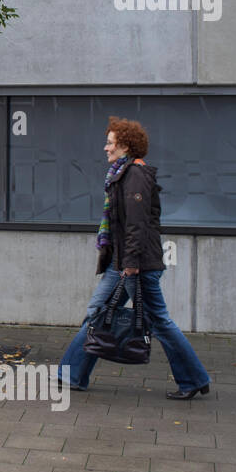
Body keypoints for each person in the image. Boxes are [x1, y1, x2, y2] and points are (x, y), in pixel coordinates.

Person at [57, 117, 212, 399]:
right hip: (122, 262)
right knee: (96, 313)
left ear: (125, 145)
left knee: (159, 323)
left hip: (136, 264)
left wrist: (130, 264)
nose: (105, 148)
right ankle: (71, 375)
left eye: (110, 143)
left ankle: (193, 379)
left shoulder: (135, 175)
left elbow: (136, 225)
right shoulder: (122, 174)